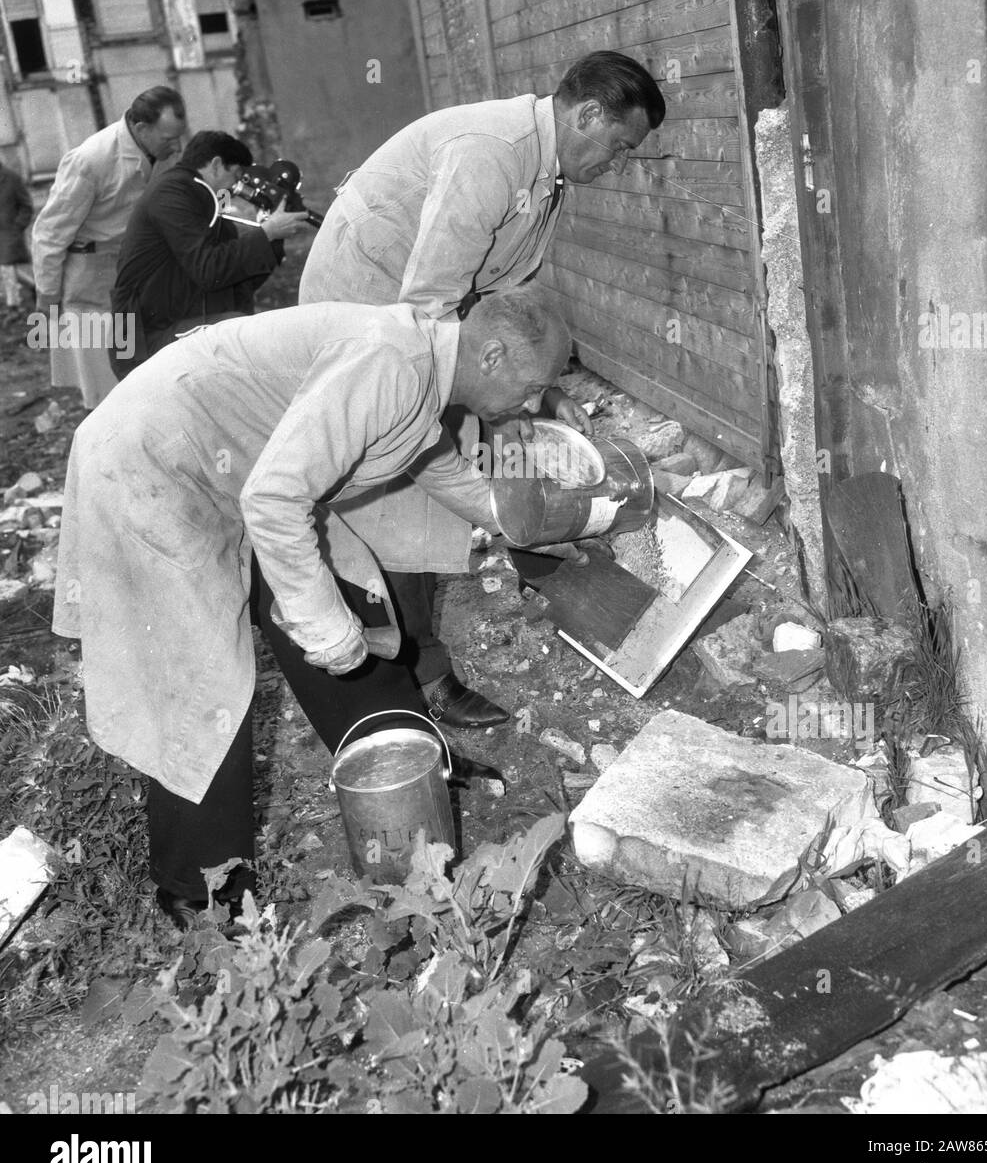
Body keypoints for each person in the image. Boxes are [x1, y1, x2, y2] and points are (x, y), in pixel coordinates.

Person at [52, 291, 571, 928]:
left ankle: (408, 766)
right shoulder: (391, 362)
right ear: (492, 355)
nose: (531, 405)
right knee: (203, 674)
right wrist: (328, 633)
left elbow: (438, 464)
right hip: (153, 463)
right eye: (533, 387)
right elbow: (274, 501)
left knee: (340, 588)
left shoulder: (424, 373)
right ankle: (203, 891)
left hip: (232, 471)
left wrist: (529, 522)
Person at [299, 50, 666, 728]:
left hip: (418, 317)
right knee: (395, 484)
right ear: (587, 114)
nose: (618, 166)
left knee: (480, 438)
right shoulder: (490, 155)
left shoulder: (547, 173)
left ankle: (532, 556)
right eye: (618, 147)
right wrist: (495, 403)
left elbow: (501, 302)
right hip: (367, 314)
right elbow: (427, 306)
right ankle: (407, 680)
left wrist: (541, 390)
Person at [31, 86, 187, 408]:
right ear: (142, 128)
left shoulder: (164, 154)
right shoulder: (92, 159)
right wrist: (47, 297)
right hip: (90, 278)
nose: (177, 146)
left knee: (140, 376)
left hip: (136, 272)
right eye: (168, 138)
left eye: (178, 137)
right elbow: (50, 232)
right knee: (103, 389)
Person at [109, 130, 310, 376]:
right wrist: (266, 233)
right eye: (235, 176)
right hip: (140, 342)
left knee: (252, 332)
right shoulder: (171, 193)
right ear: (215, 165)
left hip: (170, 324)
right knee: (240, 336)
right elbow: (208, 270)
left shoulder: (201, 206)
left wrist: (273, 237)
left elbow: (236, 283)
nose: (235, 187)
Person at [0, 158, 34, 307]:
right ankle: (34, 287)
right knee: (6, 267)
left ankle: (13, 305)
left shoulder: (12, 178)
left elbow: (27, 206)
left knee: (6, 266)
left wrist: (18, 226)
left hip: (9, 232)